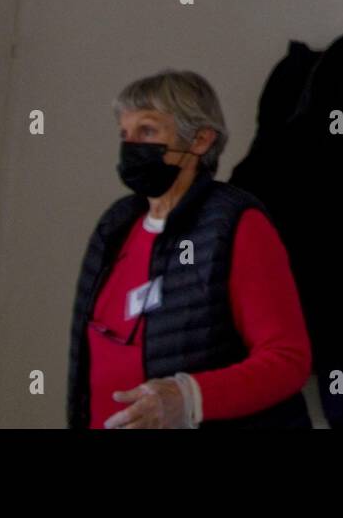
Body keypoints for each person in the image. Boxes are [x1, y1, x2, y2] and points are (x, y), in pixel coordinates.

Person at [67, 70, 312, 428]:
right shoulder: (116, 224)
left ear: (199, 140)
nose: (131, 145)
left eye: (147, 131)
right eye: (125, 134)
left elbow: (287, 360)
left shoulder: (233, 224)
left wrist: (189, 397)